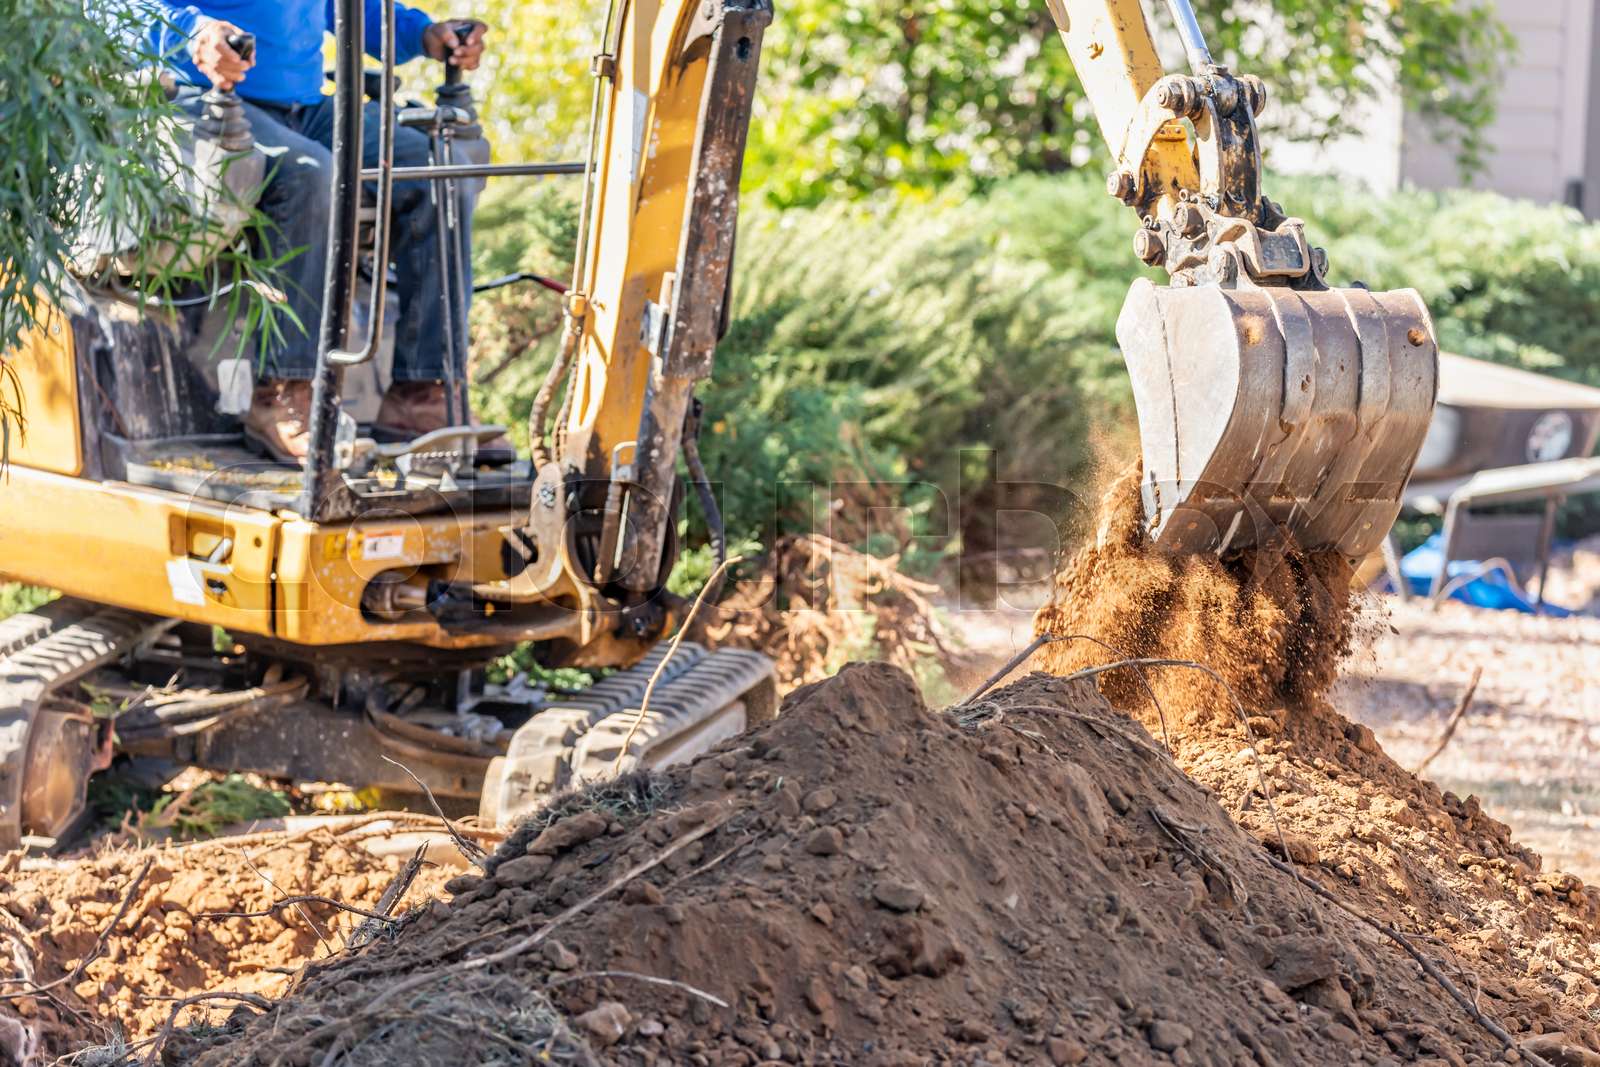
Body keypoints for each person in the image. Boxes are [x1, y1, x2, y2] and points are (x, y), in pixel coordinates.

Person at [131, 1, 509, 462]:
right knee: (311, 174)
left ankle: (422, 393)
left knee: (436, 168)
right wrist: (193, 32)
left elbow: (345, 9)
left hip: (305, 105)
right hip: (199, 95)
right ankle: (282, 393)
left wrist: (426, 34)